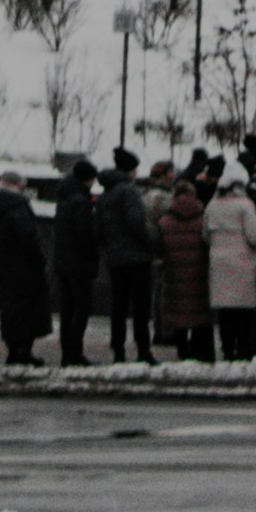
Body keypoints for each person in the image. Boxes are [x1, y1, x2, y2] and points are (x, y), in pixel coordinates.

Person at [0, 166, 51, 371]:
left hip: (5, 266)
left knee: (11, 309)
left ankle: (14, 350)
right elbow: (27, 237)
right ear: (17, 185)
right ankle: (23, 351)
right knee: (27, 309)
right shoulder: (17, 206)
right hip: (25, 268)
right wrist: (40, 260)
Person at [98, 145, 159, 363]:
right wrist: (150, 243)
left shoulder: (106, 194)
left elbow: (100, 229)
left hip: (116, 259)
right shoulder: (128, 191)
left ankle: (119, 350)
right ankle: (144, 350)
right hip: (137, 258)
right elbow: (136, 223)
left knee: (119, 306)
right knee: (141, 307)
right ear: (130, 170)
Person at [205, 159, 256, 362]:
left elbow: (205, 235)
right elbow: (254, 236)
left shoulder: (212, 205)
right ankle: (243, 349)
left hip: (219, 264)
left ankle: (227, 349)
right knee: (243, 311)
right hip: (242, 263)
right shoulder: (245, 205)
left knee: (225, 312)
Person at [154, 154, 213, 360]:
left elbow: (159, 247)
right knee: (197, 311)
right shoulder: (203, 218)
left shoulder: (165, 221)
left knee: (178, 313)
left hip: (174, 274)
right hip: (198, 274)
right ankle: (197, 351)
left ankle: (182, 350)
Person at [47, 153, 101, 371]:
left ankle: (67, 353)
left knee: (67, 309)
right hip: (79, 264)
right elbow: (85, 235)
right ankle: (74, 353)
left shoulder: (65, 198)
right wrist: (93, 253)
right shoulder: (81, 203)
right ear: (87, 179)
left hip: (63, 262)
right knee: (82, 308)